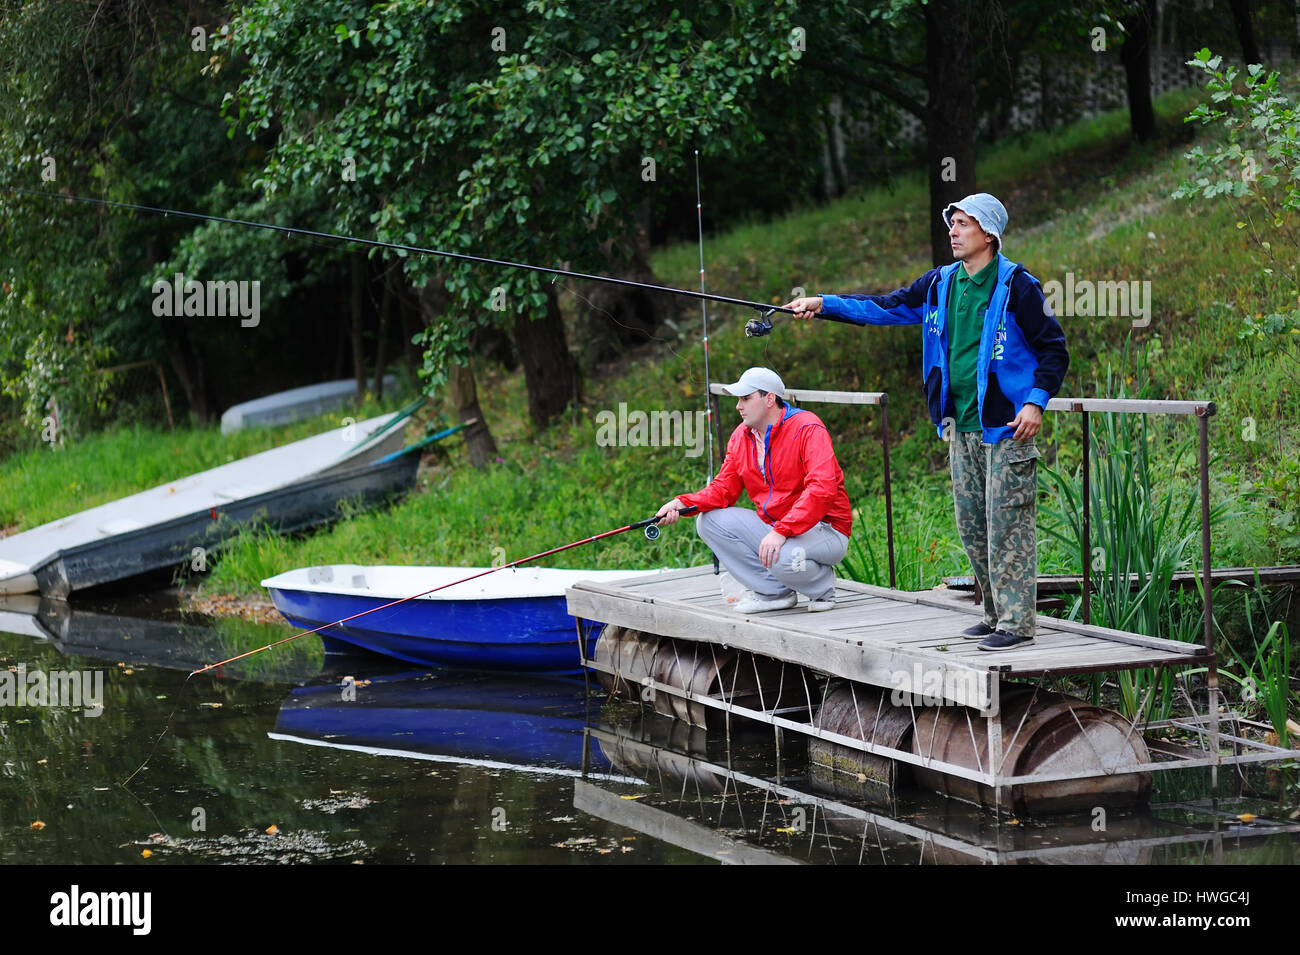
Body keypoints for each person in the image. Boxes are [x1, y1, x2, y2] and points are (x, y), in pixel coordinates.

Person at [785, 193, 1068, 651]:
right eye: (951, 223)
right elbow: (882, 307)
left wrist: (1035, 402)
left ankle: (1016, 626)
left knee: (1008, 525)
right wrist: (825, 304)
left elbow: (1054, 349)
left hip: (1007, 429)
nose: (953, 232)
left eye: (963, 224)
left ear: (989, 234)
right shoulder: (940, 284)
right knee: (973, 526)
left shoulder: (1018, 287)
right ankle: (995, 613)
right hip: (961, 428)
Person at [655, 366, 852, 614]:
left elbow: (822, 490)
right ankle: (774, 593)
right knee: (708, 522)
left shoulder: (807, 427)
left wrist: (782, 531)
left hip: (826, 528)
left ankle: (823, 589)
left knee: (782, 557)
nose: (738, 406)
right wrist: (681, 503)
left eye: (746, 398)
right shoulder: (741, 436)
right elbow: (723, 489)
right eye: (739, 399)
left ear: (769, 398)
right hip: (781, 529)